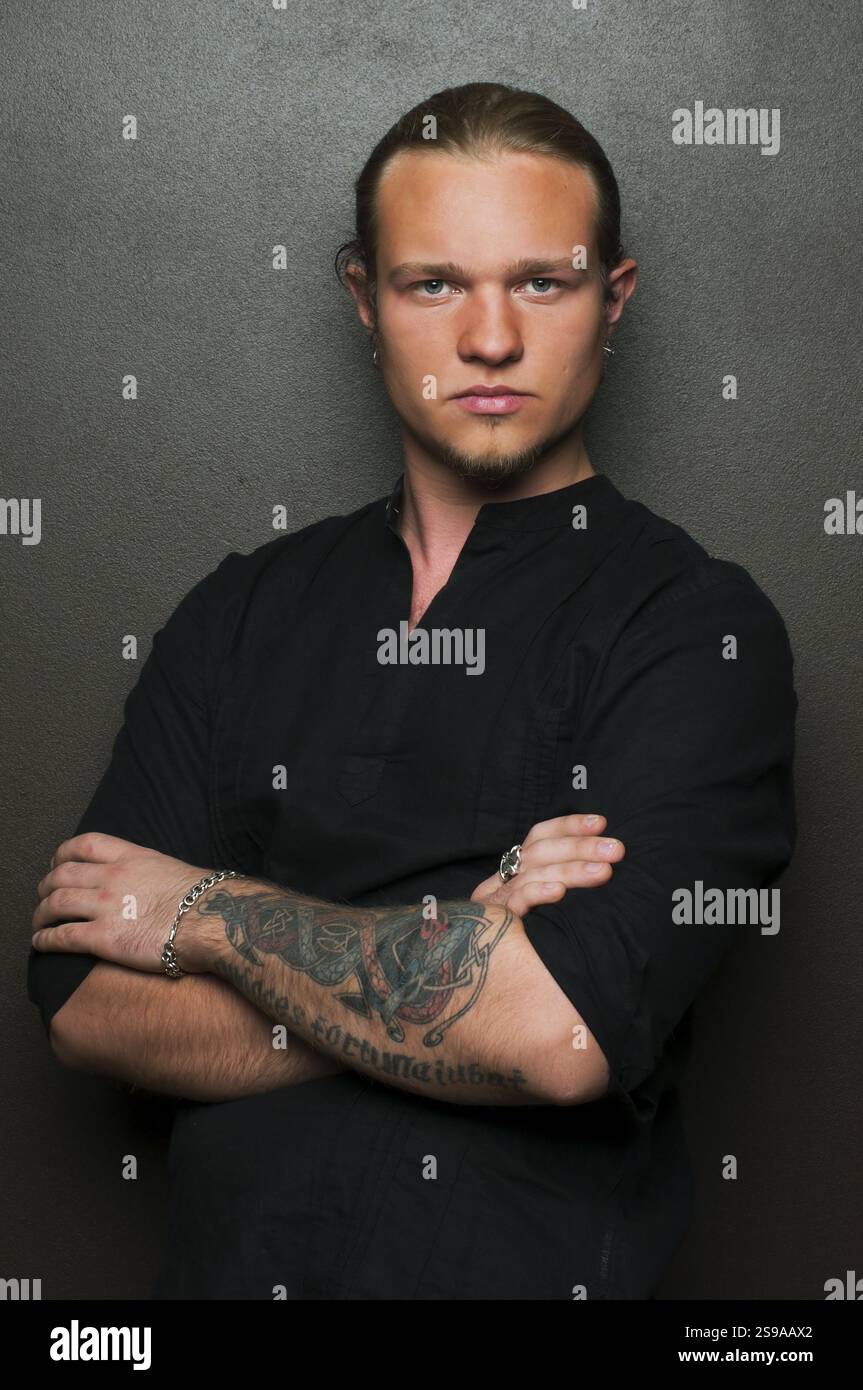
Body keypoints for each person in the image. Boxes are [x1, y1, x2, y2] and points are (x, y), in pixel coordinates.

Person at [27, 82, 797, 1300]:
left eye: (540, 282)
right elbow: (84, 1000)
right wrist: (460, 961)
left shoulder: (694, 629)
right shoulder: (240, 613)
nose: (488, 338)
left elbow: (556, 1034)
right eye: (432, 283)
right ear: (362, 301)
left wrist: (211, 913)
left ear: (613, 301)